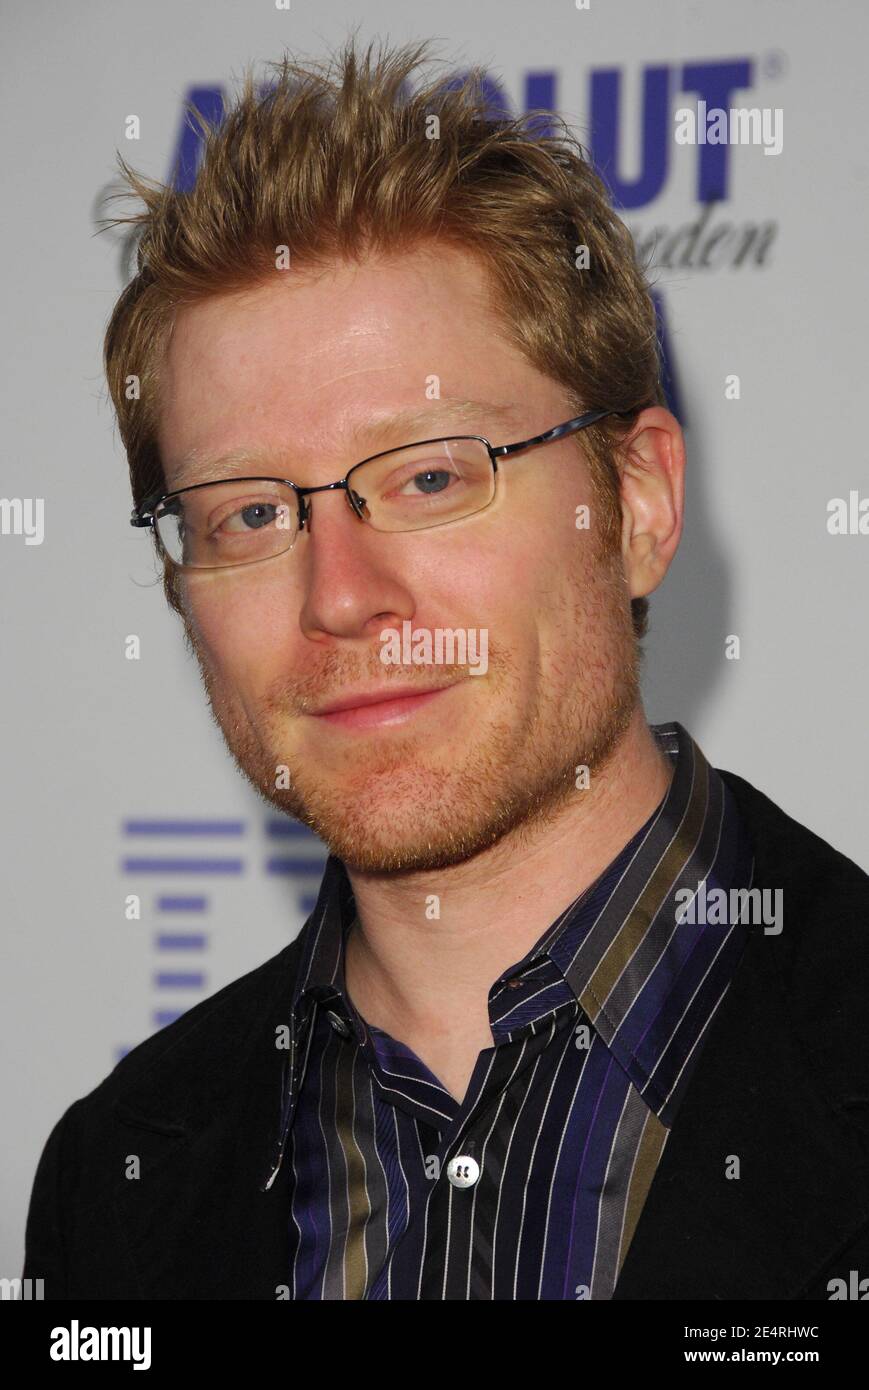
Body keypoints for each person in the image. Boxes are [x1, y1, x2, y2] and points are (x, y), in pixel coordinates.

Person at [24, 36, 869, 1301]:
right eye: (248, 514)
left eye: (428, 476)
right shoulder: (117, 1174)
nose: (342, 597)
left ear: (634, 503)